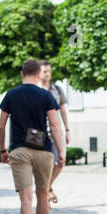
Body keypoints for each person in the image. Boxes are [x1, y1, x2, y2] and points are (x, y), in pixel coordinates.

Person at [0, 59, 64, 214]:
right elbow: (54, 125)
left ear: (21, 73)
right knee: (42, 195)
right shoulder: (45, 95)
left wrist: (2, 150)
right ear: (38, 75)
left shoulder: (11, 94)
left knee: (25, 198)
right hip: (44, 150)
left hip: (19, 151)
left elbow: (1, 126)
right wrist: (60, 150)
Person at [39, 60, 71, 203]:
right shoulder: (35, 89)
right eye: (45, 71)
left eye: (49, 71)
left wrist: (68, 129)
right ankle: (46, 194)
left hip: (56, 132)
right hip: (39, 133)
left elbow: (63, 112)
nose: (48, 74)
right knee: (45, 166)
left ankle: (47, 189)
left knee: (61, 162)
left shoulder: (57, 89)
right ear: (38, 73)